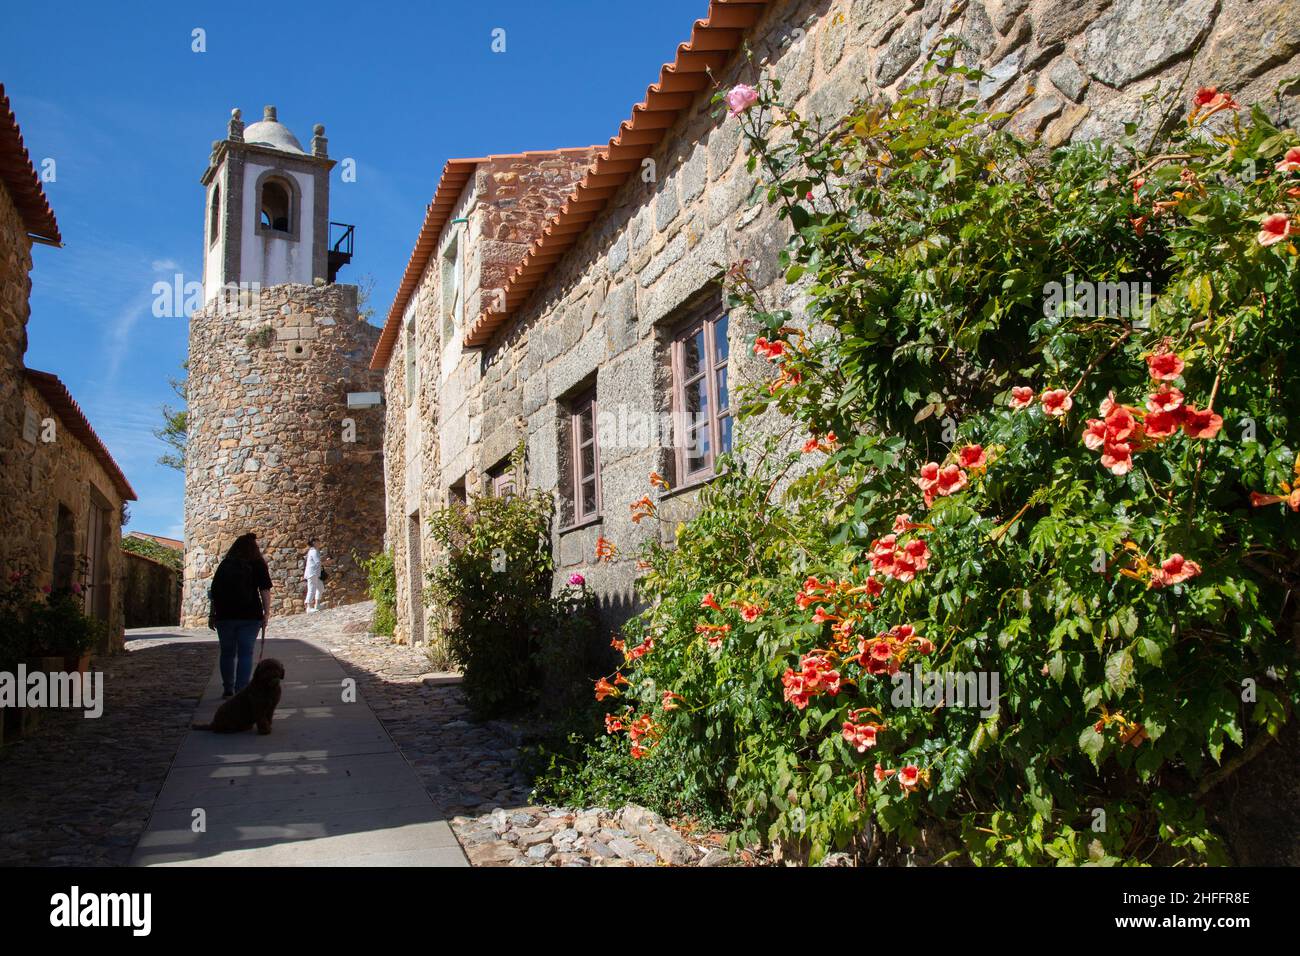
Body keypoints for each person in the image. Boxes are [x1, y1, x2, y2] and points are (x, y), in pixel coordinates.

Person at [208, 533, 272, 698]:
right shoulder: (258, 564)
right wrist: (266, 613)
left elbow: (214, 592)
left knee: (227, 653)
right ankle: (241, 691)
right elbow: (264, 590)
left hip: (225, 615)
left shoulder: (225, 564)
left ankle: (228, 688)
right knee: (246, 653)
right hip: (250, 615)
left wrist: (212, 614)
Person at [304, 538, 322, 612]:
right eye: (318, 541)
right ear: (314, 542)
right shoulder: (314, 551)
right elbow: (318, 562)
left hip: (315, 573)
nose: (319, 543)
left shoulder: (313, 551)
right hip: (312, 573)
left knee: (321, 587)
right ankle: (308, 607)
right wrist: (329, 561)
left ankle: (317, 604)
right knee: (311, 589)